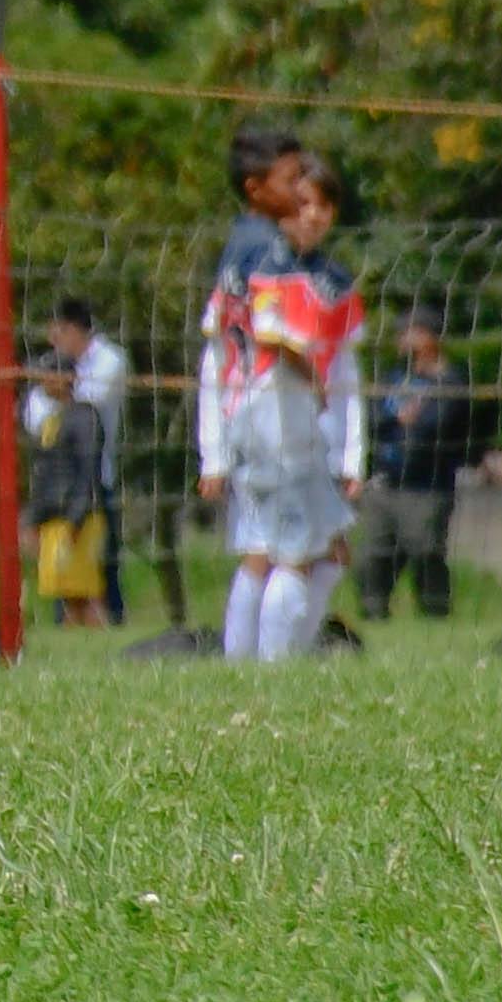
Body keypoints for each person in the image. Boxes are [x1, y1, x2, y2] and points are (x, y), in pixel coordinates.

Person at [196, 128, 358, 661]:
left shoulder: (237, 245)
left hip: (246, 409)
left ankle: (240, 665)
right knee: (299, 554)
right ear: (256, 189)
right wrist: (310, 374)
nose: (298, 193)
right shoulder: (270, 250)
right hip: (279, 414)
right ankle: (273, 668)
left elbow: (220, 332)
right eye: (290, 181)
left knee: (262, 549)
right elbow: (276, 331)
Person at [358, 302, 475, 618]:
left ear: (431, 337)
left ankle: (435, 615)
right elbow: (371, 417)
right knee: (372, 555)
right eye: (401, 334)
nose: (403, 341)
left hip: (427, 486)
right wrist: (398, 418)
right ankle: (373, 615)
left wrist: (395, 420)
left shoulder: (451, 382)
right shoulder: (393, 378)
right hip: (385, 482)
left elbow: (431, 426)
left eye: (410, 333)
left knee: (426, 553)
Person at [41, 298, 131, 620]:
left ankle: (110, 622)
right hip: (57, 485)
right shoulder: (53, 364)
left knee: (100, 566)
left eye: (59, 333)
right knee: (60, 567)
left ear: (75, 330)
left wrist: (63, 382)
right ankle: (65, 625)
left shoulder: (109, 360)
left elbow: (87, 402)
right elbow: (35, 416)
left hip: (95, 480)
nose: (55, 342)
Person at [24, 385, 110, 628]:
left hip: (77, 514)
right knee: (68, 590)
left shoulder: (85, 417)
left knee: (86, 587)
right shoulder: (53, 420)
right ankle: (76, 639)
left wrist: (77, 515)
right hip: (55, 513)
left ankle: (98, 633)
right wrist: (36, 517)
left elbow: (88, 469)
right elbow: (45, 474)